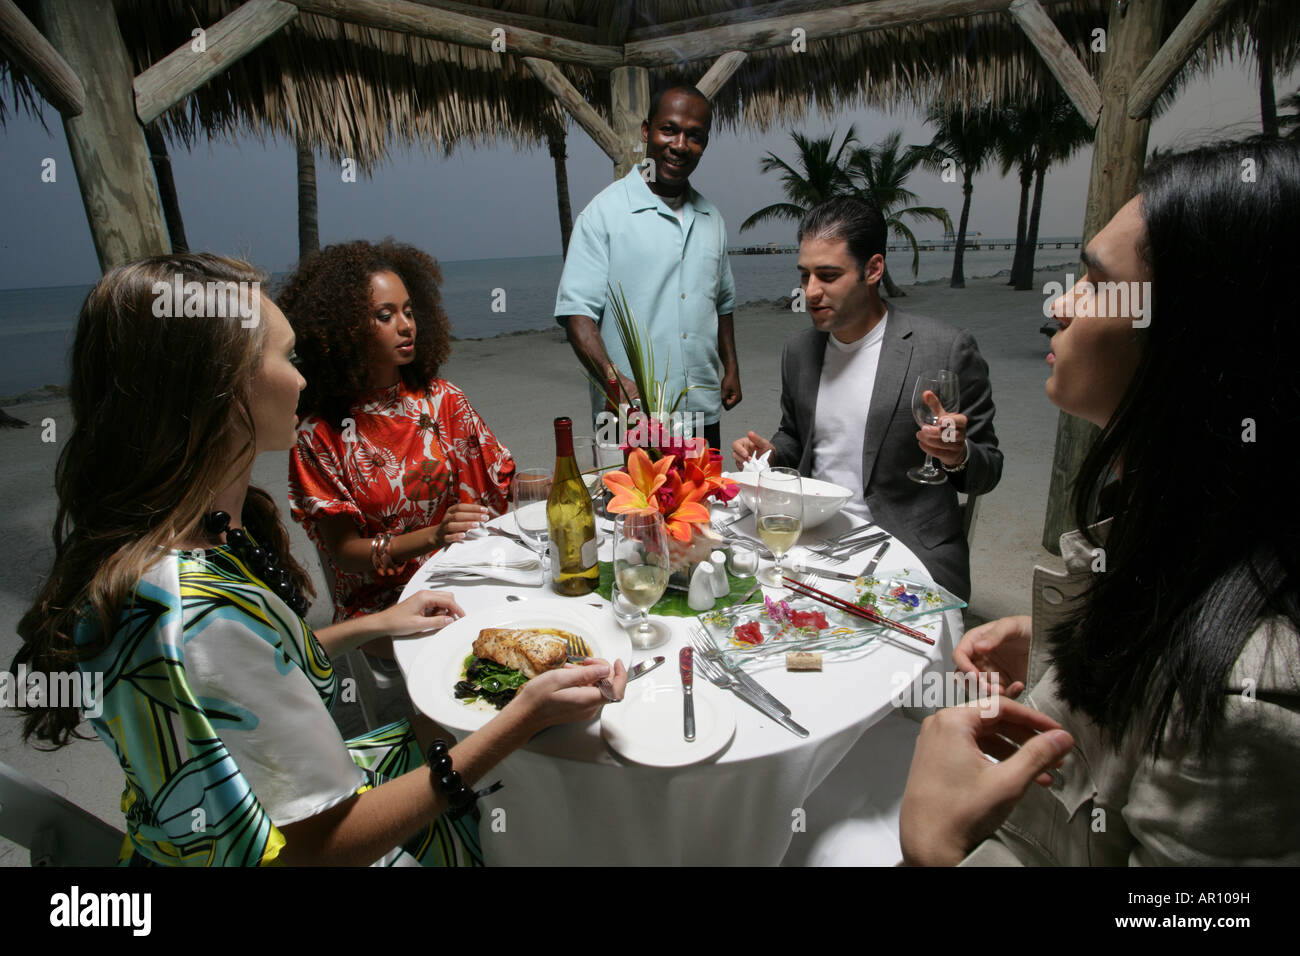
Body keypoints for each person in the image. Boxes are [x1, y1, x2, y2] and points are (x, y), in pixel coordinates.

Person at [13, 253, 626, 866]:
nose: (302, 379)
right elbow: (322, 849)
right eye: (285, 358)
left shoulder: (176, 543)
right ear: (223, 391)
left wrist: (376, 623)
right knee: (547, 806)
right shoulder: (199, 616)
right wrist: (520, 719)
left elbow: (258, 667)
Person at [898, 138, 1300, 866]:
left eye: (1093, 280)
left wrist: (937, 850)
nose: (1058, 305)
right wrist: (1072, 646)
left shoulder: (1240, 696)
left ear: (1193, 339)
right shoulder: (1165, 538)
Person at [732, 196, 1002, 599]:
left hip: (905, 548)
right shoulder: (799, 351)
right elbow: (796, 434)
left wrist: (955, 453)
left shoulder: (945, 348)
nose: (810, 292)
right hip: (811, 538)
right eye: (804, 275)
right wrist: (772, 455)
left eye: (827, 275)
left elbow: (989, 470)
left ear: (873, 269)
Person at [280, 240, 514, 667]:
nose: (406, 325)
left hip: (459, 571)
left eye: (409, 310)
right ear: (345, 328)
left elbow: (503, 482)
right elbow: (345, 552)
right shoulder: (319, 437)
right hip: (381, 605)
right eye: (385, 316)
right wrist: (432, 536)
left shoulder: (442, 400)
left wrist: (586, 478)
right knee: (474, 642)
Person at [555, 85, 740, 451]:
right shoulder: (603, 214)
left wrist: (731, 366)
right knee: (629, 509)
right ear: (645, 131)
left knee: (702, 507)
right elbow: (577, 314)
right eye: (668, 129)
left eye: (695, 136)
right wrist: (614, 379)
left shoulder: (712, 218)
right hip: (628, 416)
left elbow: (723, 302)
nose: (680, 144)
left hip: (701, 412)